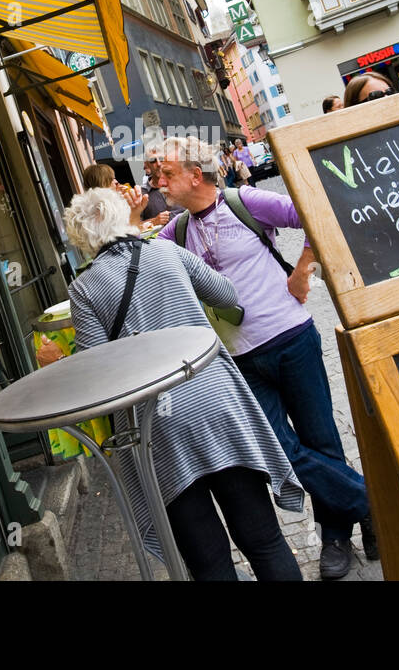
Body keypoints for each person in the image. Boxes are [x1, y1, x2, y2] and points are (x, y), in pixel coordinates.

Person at [157, 136, 375, 579]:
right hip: (237, 361)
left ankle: (335, 538)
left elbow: (316, 214)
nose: (157, 181)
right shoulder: (173, 233)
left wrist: (302, 270)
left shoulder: (245, 201)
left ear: (194, 176)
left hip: (291, 338)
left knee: (320, 440)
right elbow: (137, 262)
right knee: (280, 449)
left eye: (166, 173)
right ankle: (372, 504)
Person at [64, 188, 304, 581]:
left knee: (209, 565)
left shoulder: (84, 289)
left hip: (157, 428)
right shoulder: (167, 252)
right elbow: (226, 295)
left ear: (83, 239)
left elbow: (98, 371)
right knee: (264, 541)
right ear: (124, 219)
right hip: (216, 405)